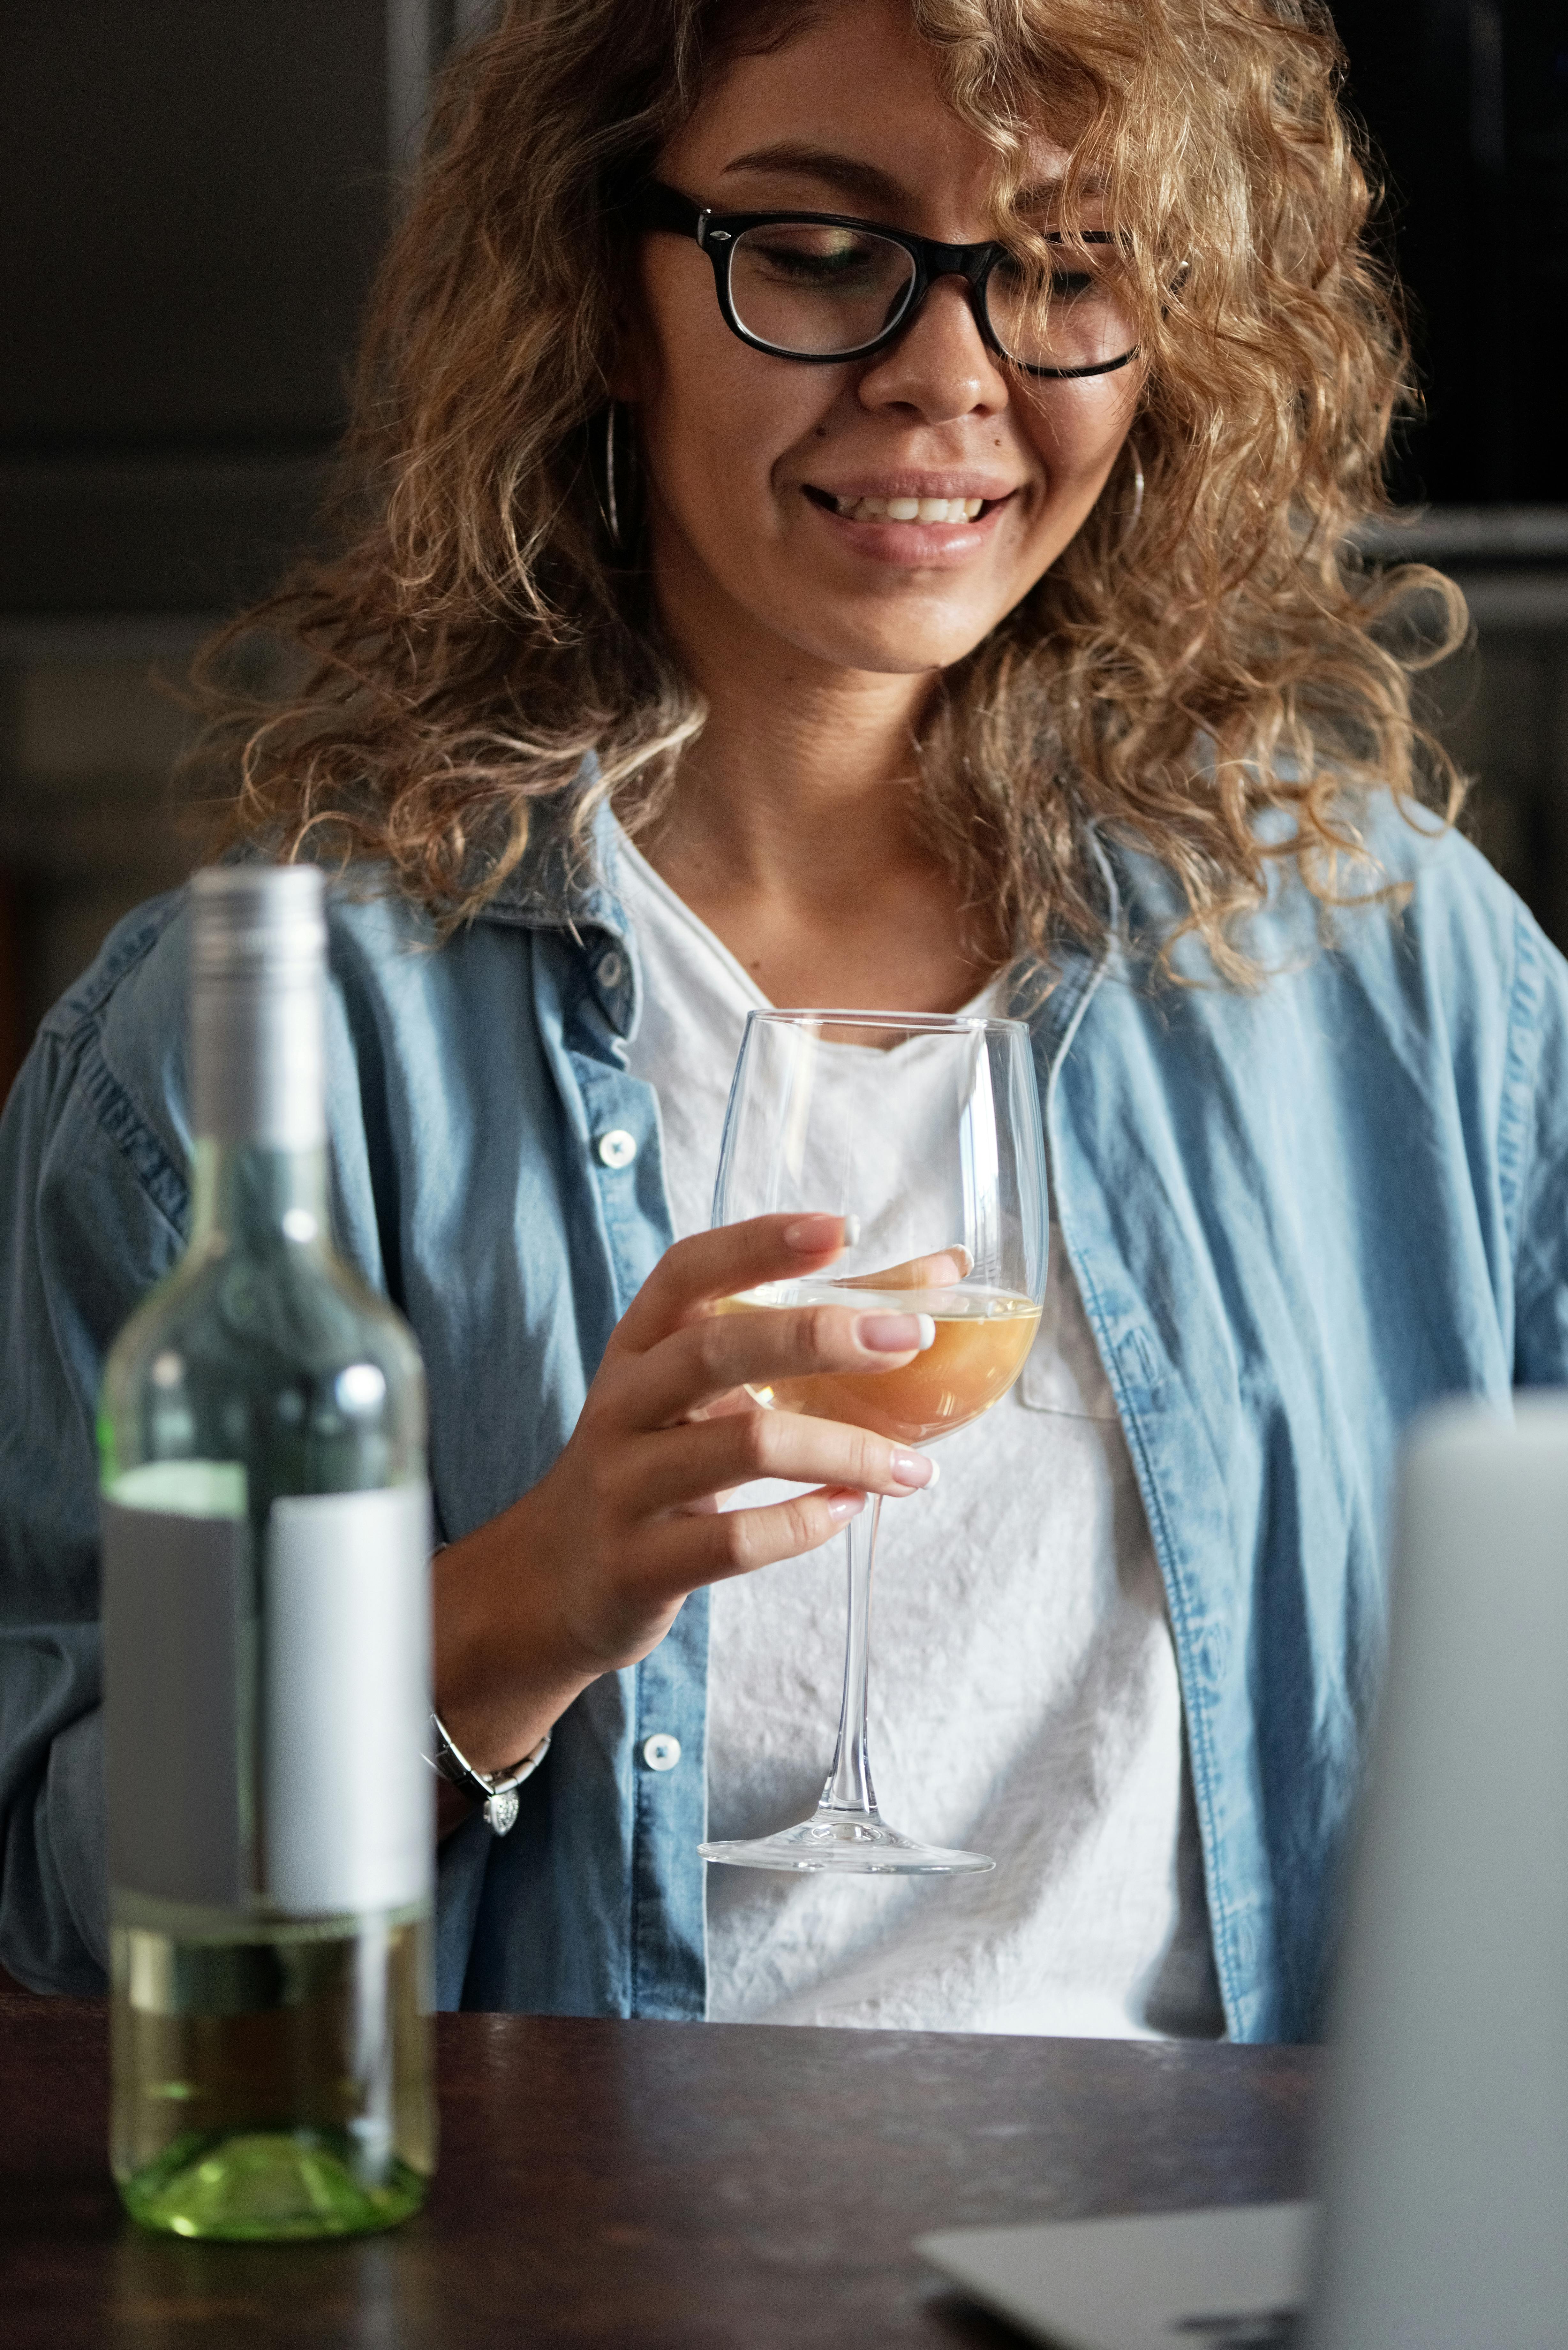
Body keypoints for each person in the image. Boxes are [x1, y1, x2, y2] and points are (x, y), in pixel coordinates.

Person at [3, 0, 1565, 2039]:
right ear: (600, 291)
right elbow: (59, 1905)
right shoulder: (262, 1050)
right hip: (564, 2281)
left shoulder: (1405, 971)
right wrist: (521, 1605)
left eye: (1069, 265)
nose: (949, 377)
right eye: (821, 252)